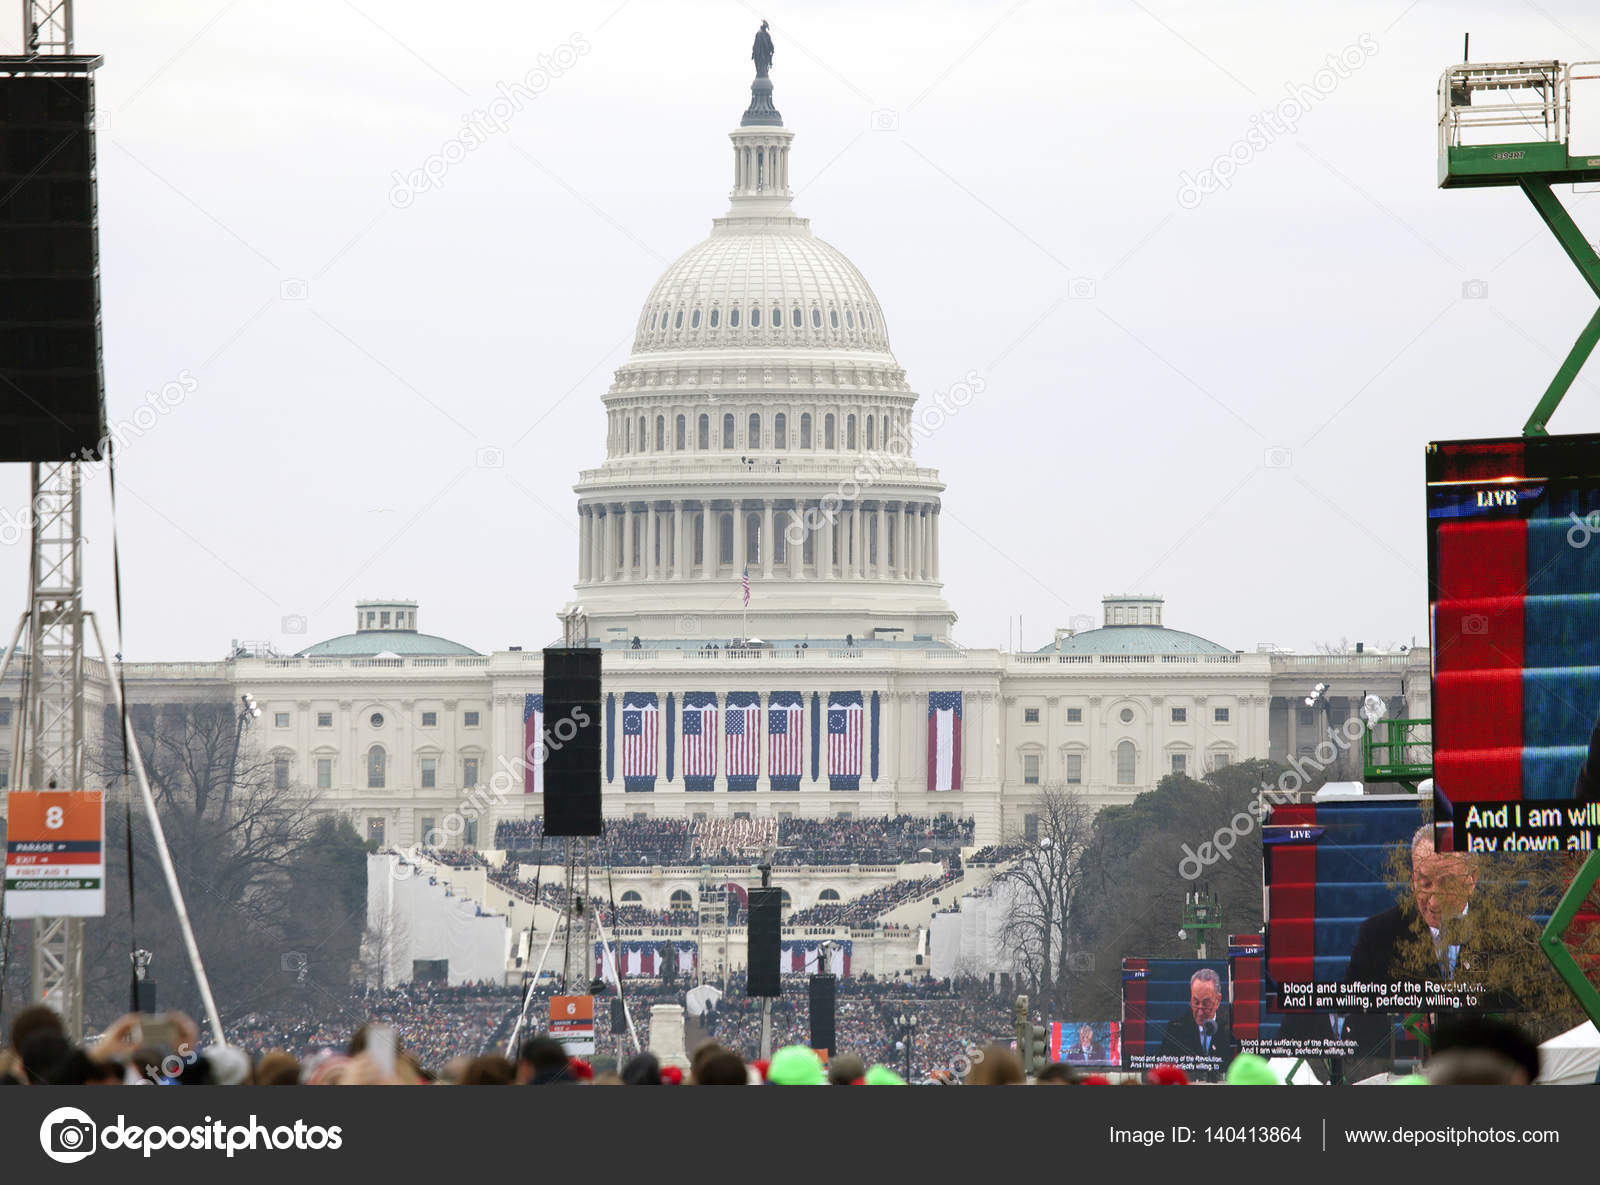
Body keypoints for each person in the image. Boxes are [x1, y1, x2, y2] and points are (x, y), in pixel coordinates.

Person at [1157, 968, 1232, 1066]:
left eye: (1206, 1004)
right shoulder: (1175, 1030)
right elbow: (1163, 1069)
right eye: (1196, 1003)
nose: (1200, 1013)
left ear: (1218, 1000)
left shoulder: (1229, 1028)